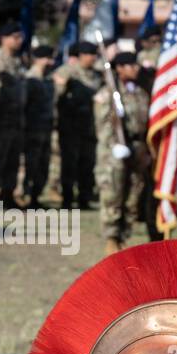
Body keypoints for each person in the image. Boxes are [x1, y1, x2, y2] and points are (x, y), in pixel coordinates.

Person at [94, 51, 150, 255]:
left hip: (136, 149)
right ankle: (111, 237)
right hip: (113, 152)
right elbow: (102, 125)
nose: (135, 69)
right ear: (119, 69)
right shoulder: (107, 93)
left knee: (133, 194)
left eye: (135, 65)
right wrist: (114, 146)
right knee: (113, 195)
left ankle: (124, 236)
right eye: (130, 65)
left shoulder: (141, 93)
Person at [53, 40, 103, 208]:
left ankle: (84, 197)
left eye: (95, 55)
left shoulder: (97, 75)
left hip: (90, 127)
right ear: (81, 56)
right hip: (70, 127)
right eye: (90, 54)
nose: (93, 58)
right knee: (69, 163)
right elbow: (57, 94)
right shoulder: (68, 72)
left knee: (87, 163)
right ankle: (67, 198)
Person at [0, 22, 26, 207]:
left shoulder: (18, 61)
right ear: (4, 38)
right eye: (15, 37)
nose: (19, 41)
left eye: (20, 37)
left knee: (12, 161)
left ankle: (7, 197)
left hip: (15, 119)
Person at [22, 45, 56, 208]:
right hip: (31, 129)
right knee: (28, 164)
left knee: (42, 165)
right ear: (38, 59)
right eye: (47, 58)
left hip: (45, 128)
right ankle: (23, 196)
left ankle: (35, 196)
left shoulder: (49, 79)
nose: (51, 62)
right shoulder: (29, 79)